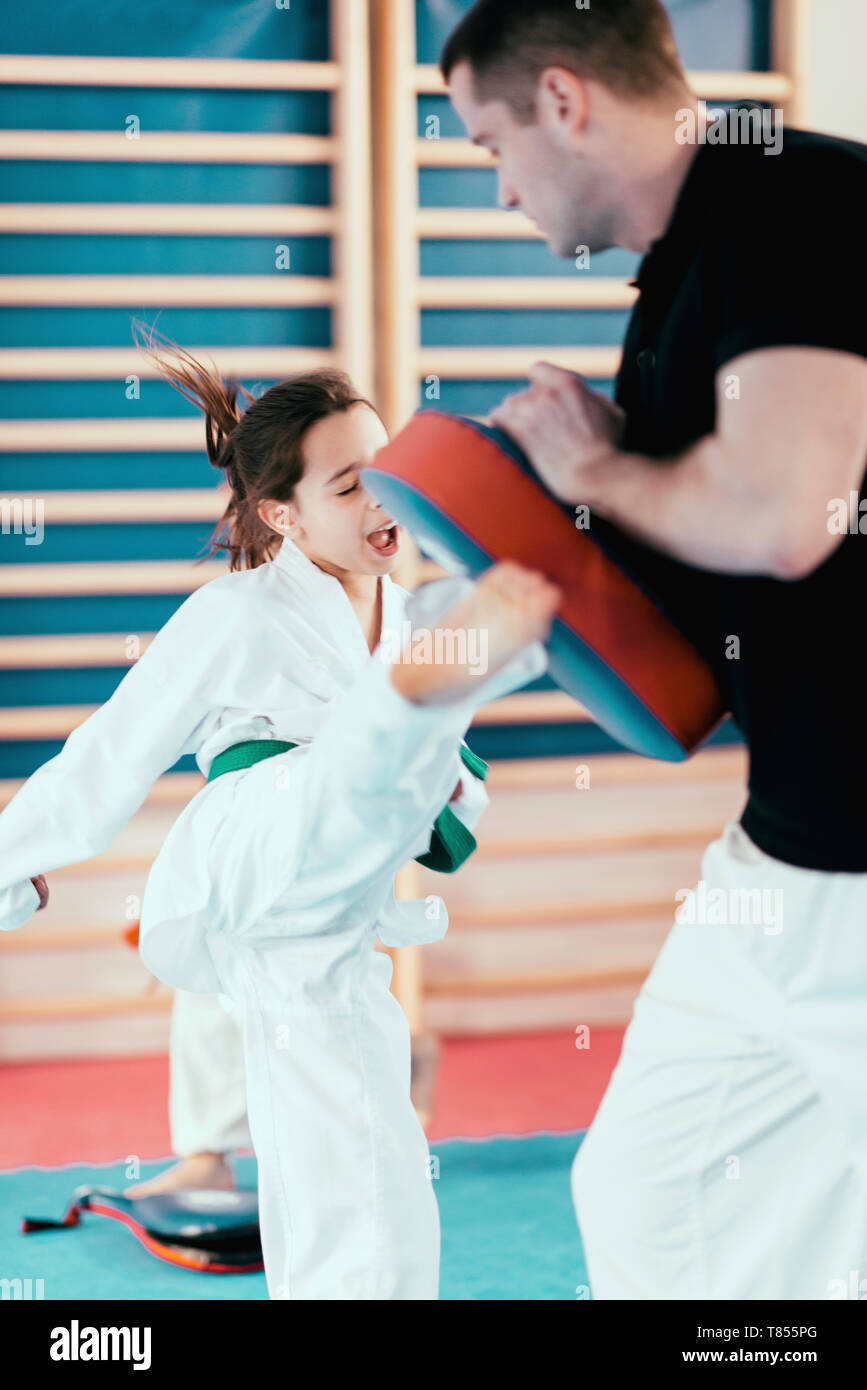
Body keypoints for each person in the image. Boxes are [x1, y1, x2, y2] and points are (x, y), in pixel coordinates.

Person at [440, 0, 867, 1299]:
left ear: (563, 101)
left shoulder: (792, 204)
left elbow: (783, 518)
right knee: (648, 1180)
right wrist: (561, 499)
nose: (497, 183)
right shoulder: (677, 271)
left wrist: (600, 468)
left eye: (487, 142)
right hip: (794, 836)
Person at [0, 330, 561, 1298]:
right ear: (281, 514)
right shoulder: (236, 616)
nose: (381, 499)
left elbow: (450, 799)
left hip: (332, 899)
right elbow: (107, 754)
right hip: (247, 849)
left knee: (352, 1134)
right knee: (381, 745)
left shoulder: (415, 616)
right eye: (348, 486)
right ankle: (430, 692)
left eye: (390, 472)